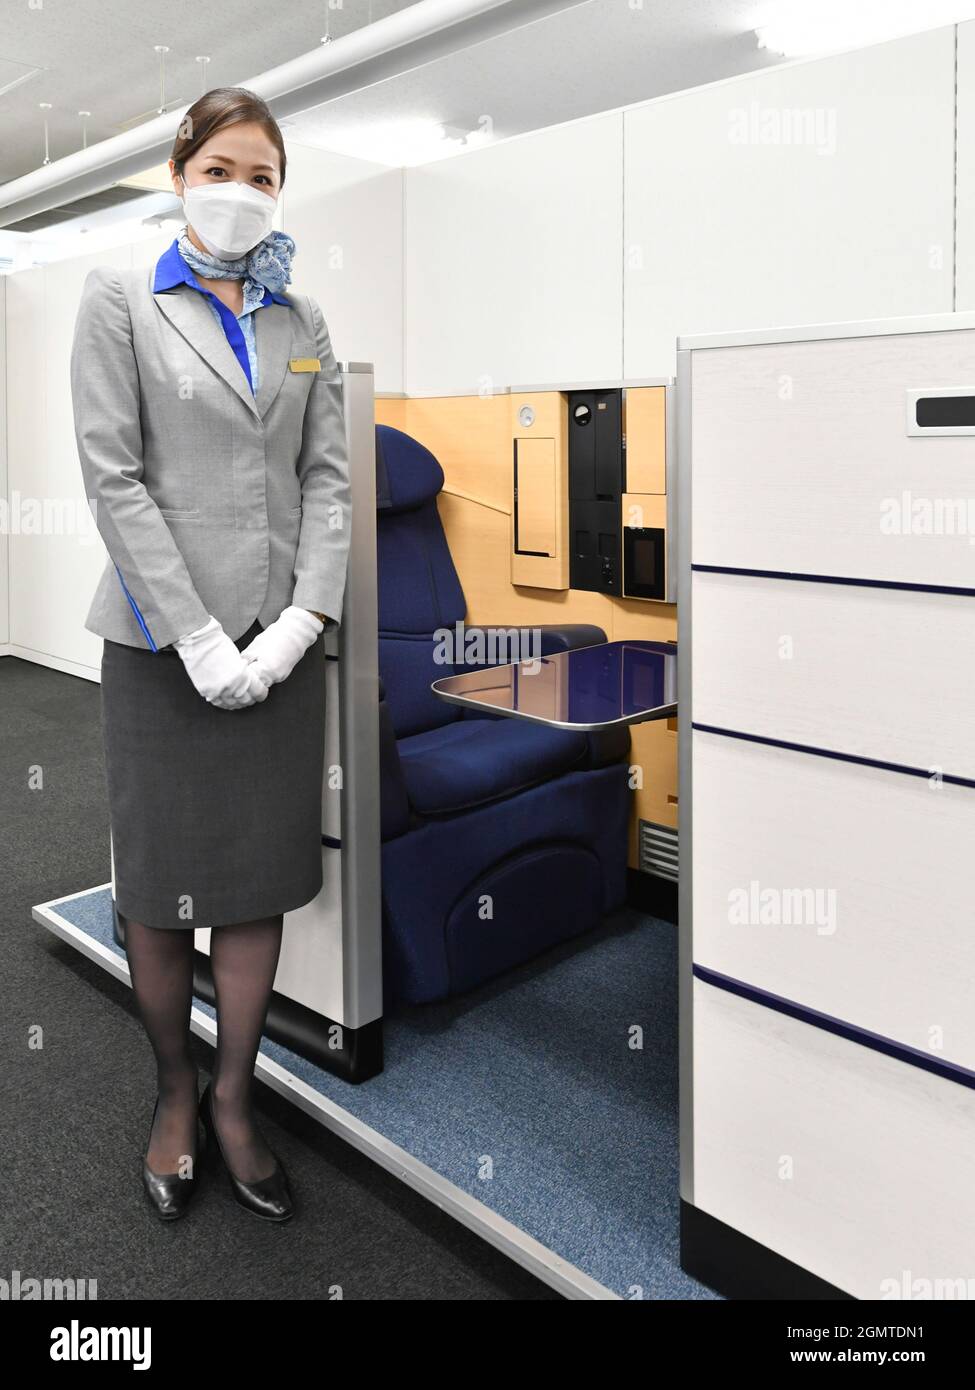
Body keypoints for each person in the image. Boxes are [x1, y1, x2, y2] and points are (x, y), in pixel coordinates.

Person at [69, 86, 352, 1222]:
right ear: (181, 169)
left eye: (266, 176)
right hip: (157, 644)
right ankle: (176, 1093)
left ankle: (237, 1097)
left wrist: (301, 624)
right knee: (160, 885)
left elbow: (327, 480)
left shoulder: (301, 320)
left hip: (279, 649)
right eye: (224, 166)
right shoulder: (120, 296)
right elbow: (112, 474)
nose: (244, 191)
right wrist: (192, 631)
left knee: (252, 882)